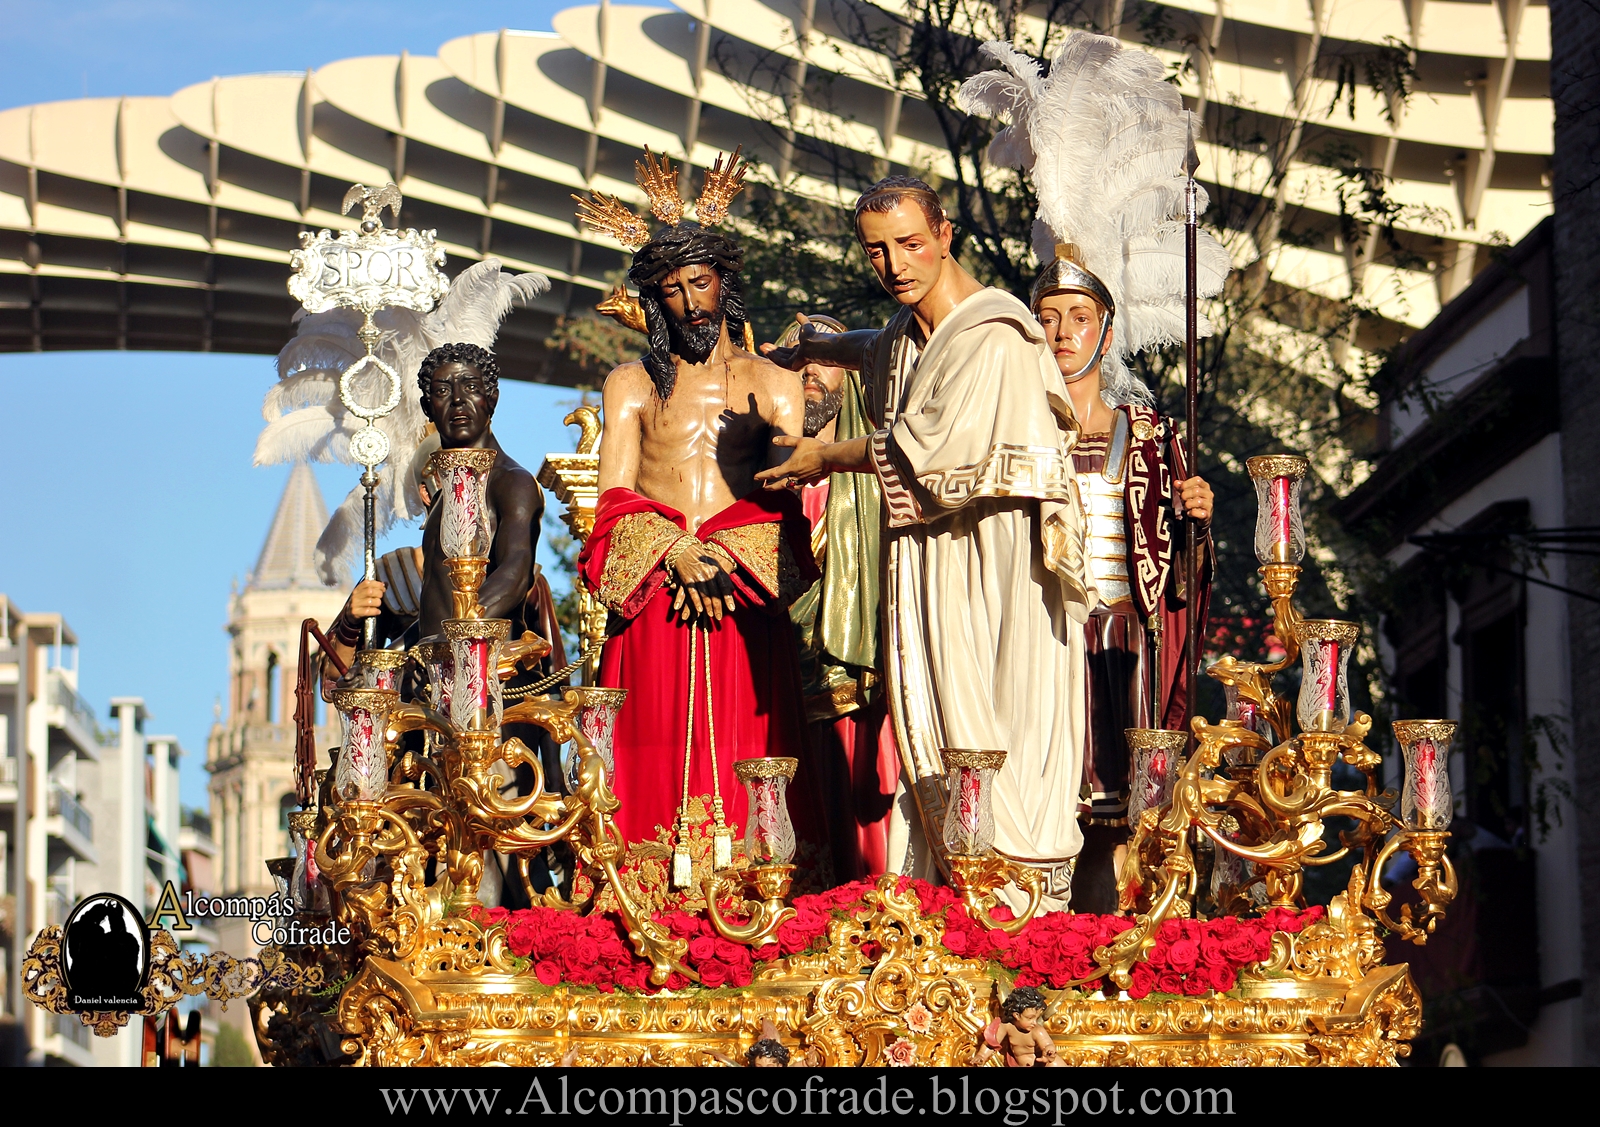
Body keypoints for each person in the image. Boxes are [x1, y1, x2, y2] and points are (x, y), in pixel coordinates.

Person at [759, 176, 1093, 908]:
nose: (895, 265)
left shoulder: (996, 335)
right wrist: (818, 345)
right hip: (933, 563)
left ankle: (1019, 916)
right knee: (937, 730)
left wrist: (823, 455)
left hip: (998, 572)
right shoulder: (908, 338)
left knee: (997, 721)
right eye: (876, 251)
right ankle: (952, 905)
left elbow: (921, 451)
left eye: (910, 243)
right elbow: (874, 349)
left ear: (946, 235)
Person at [573, 151, 817, 889]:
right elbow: (611, 498)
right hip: (658, 594)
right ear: (654, 301)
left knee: (756, 756)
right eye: (672, 290)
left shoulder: (775, 385)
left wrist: (726, 557)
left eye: (700, 283)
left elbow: (789, 496)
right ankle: (640, 896)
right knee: (647, 752)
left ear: (725, 284)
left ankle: (763, 888)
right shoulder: (630, 384)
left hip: (743, 598)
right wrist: (674, 549)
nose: (690, 303)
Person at [1032, 252, 1213, 912]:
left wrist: (1197, 517)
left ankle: (1138, 914)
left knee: (1140, 800)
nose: (1062, 333)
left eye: (1079, 318)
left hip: (1129, 638)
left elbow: (1184, 576)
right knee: (1052, 791)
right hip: (1045, 638)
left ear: (1105, 333)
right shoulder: (1016, 433)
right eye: (1047, 318)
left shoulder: (1151, 434)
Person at [778, 314, 898, 880]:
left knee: (863, 854)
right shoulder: (756, 480)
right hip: (775, 690)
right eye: (795, 357)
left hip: (859, 690)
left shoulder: (875, 480)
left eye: (822, 357)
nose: (809, 369)